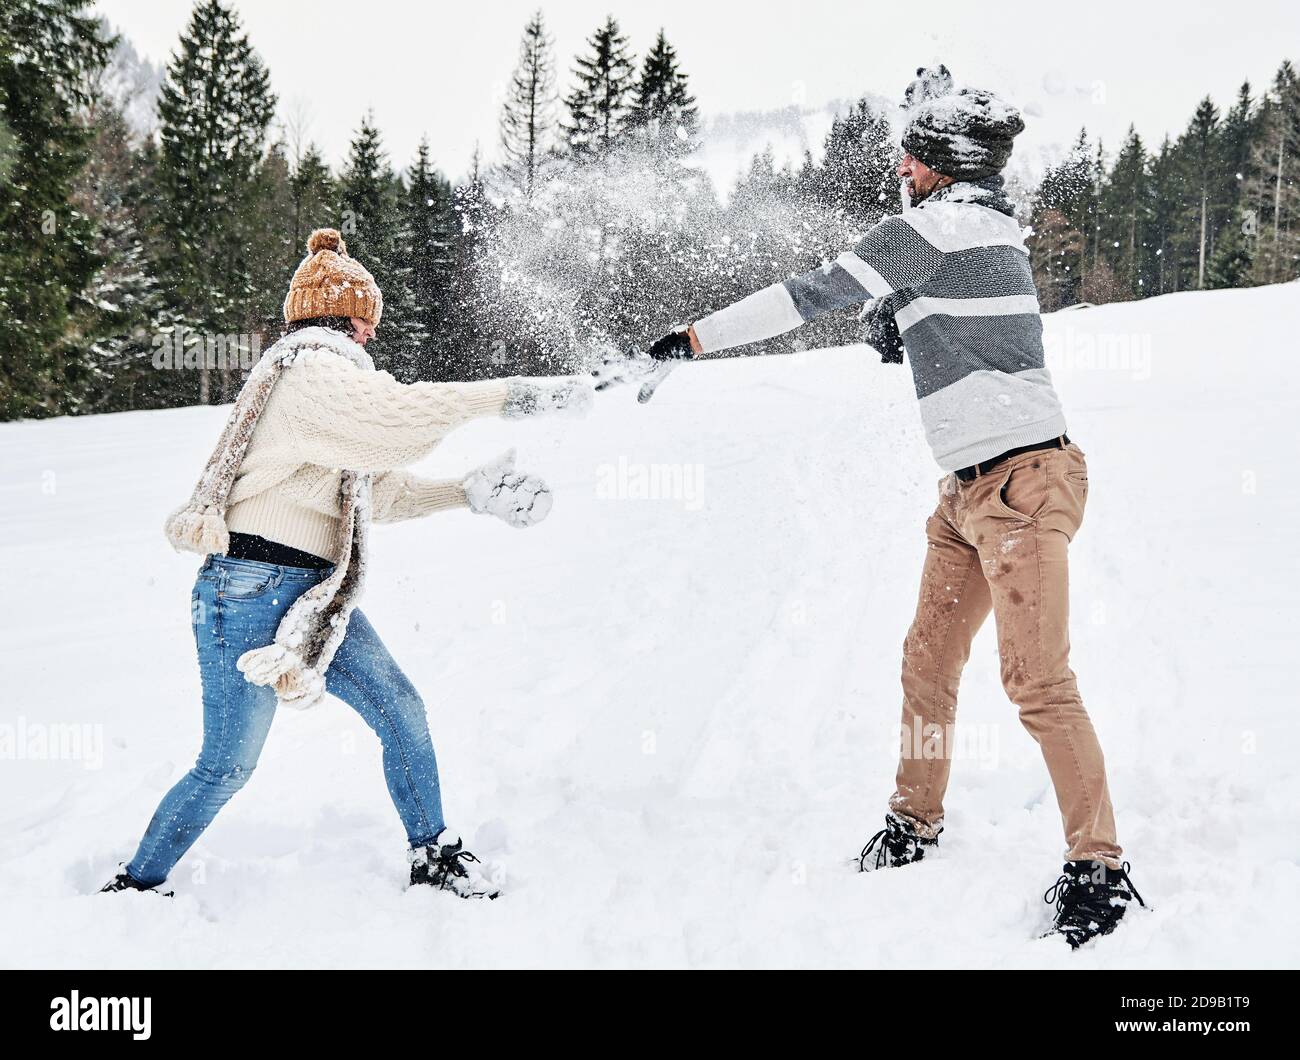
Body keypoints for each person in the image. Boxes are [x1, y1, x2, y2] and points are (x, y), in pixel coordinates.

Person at [608, 68, 1144, 948]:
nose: (899, 164)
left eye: (912, 152)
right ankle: (916, 818)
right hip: (969, 491)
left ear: (940, 165)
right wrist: (910, 309)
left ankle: (1099, 868)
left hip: (1020, 488)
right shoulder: (987, 228)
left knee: (1038, 682)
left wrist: (694, 336)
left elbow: (809, 293)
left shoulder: (932, 229)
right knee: (927, 660)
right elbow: (956, 298)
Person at [101, 228, 591, 901]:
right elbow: (398, 413)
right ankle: (137, 883)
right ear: (354, 319)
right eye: (369, 324)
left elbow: (378, 493)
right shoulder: (311, 370)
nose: (370, 338)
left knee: (401, 709)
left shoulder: (330, 398)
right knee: (228, 764)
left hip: (313, 595)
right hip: (245, 590)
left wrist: (466, 495)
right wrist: (507, 396)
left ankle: (434, 853)